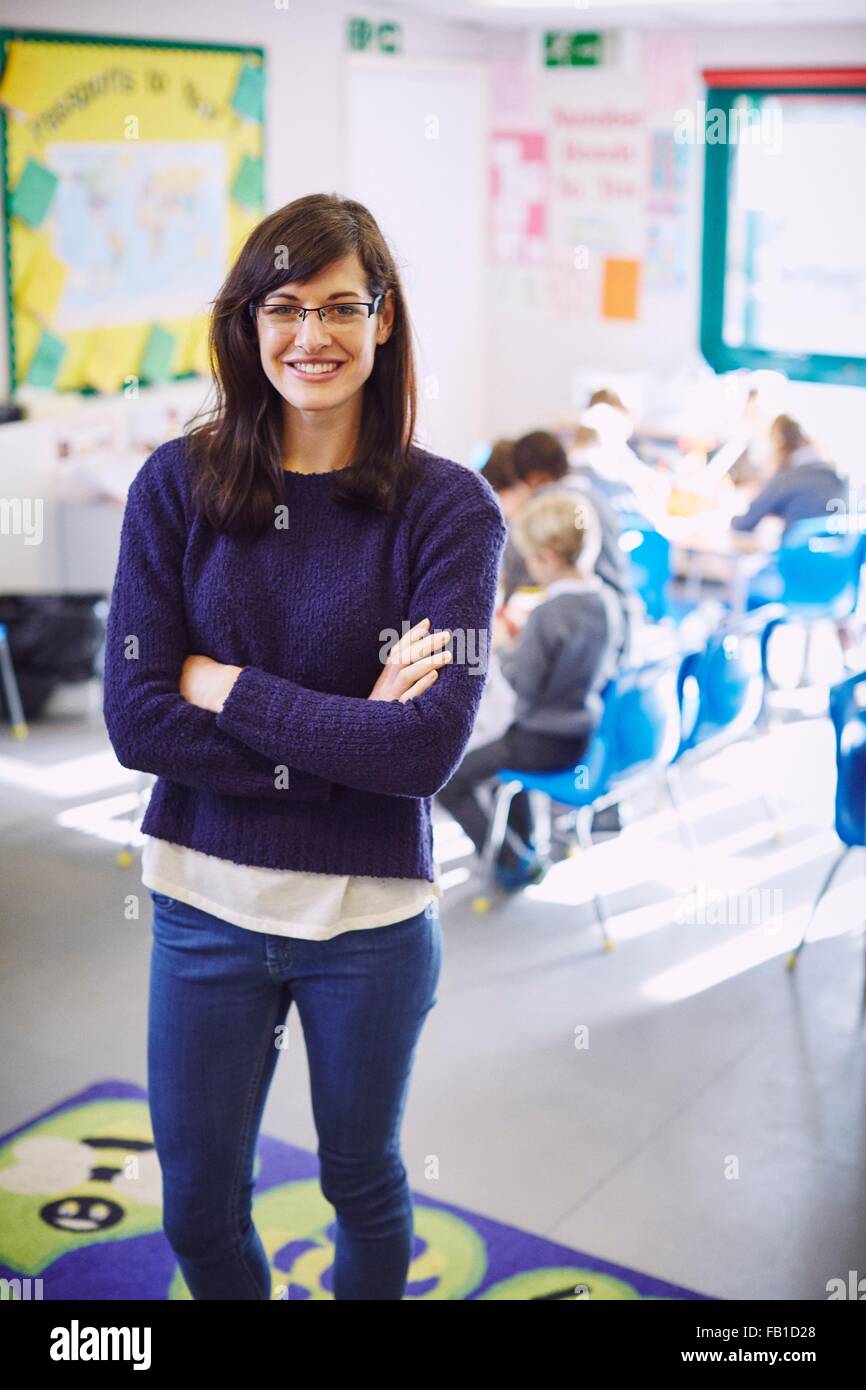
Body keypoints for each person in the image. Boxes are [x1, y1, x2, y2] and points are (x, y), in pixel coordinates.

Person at [102, 192, 507, 1301]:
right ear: (247, 322)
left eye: (340, 306)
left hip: (368, 923)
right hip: (200, 903)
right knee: (194, 1206)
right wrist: (351, 731)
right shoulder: (175, 486)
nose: (310, 336)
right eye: (282, 306)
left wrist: (220, 682)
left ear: (383, 321)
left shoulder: (452, 512)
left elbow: (422, 753)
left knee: (360, 1180)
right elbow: (136, 718)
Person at [436, 491, 625, 891]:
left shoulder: (547, 614)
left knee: (450, 780)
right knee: (500, 757)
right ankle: (527, 841)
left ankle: (511, 858)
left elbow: (526, 685)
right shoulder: (606, 601)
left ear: (547, 558)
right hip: (582, 734)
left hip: (542, 739)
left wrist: (505, 651)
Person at [731, 415, 847, 536]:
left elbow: (745, 523)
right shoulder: (834, 475)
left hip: (798, 551)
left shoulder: (786, 478)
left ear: (779, 445)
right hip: (836, 551)